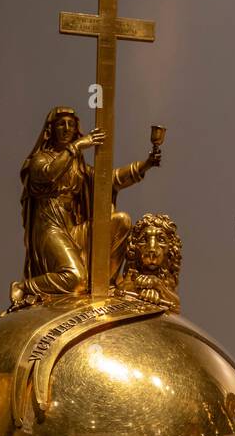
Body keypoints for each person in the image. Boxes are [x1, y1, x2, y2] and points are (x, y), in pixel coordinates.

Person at [10, 106, 159, 306]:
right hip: (50, 229)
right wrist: (77, 146)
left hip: (73, 229)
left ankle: (106, 283)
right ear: (50, 130)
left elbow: (109, 181)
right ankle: (24, 286)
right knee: (75, 279)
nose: (66, 128)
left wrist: (145, 165)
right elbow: (48, 174)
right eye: (61, 124)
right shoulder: (40, 160)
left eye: (71, 124)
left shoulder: (77, 166)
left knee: (121, 221)